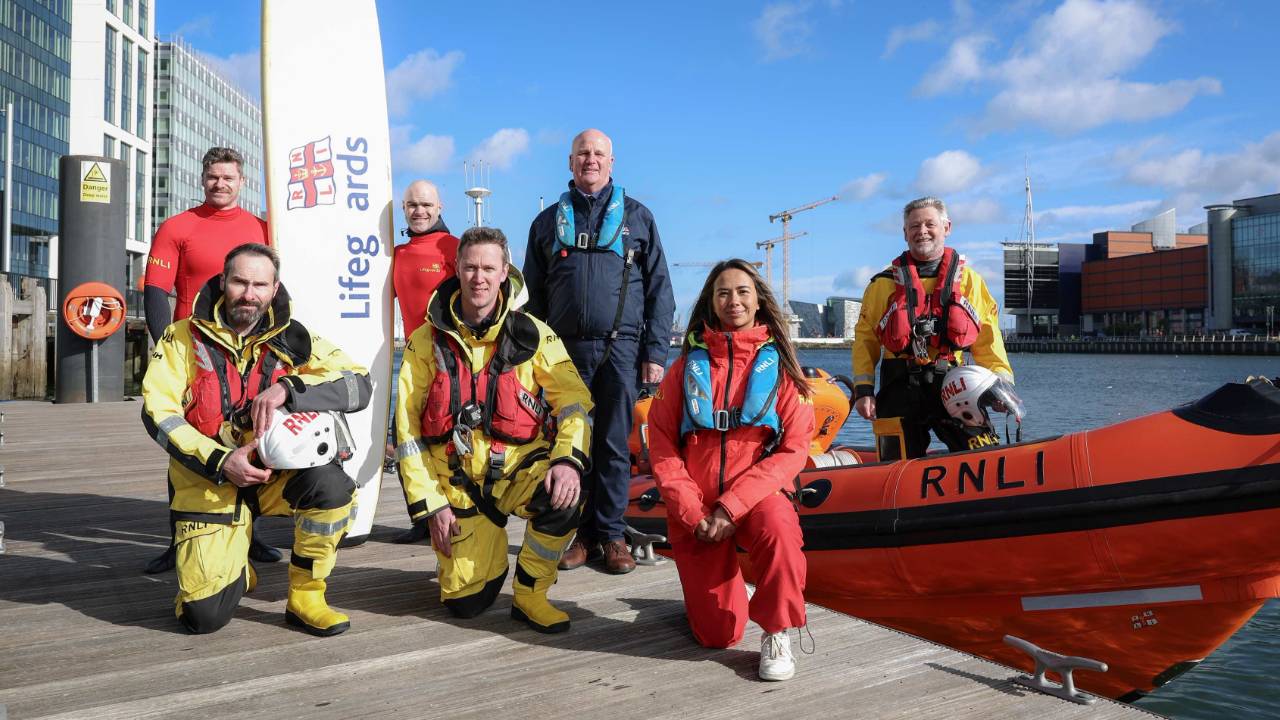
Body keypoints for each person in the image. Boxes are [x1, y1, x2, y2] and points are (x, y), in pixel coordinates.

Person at [140, 243, 371, 635]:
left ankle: (306, 595)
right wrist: (219, 460)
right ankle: (235, 566)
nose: (249, 294)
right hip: (210, 481)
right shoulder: (181, 337)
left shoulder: (296, 338)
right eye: (240, 282)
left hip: (274, 477)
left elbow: (358, 384)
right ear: (223, 281)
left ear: (274, 287)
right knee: (202, 617)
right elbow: (157, 414)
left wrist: (292, 390)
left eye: (260, 285)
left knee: (333, 488)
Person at [395, 227, 593, 632]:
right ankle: (482, 550)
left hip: (519, 470)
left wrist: (568, 460)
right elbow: (407, 431)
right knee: (465, 605)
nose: (478, 277)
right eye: (470, 267)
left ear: (505, 272)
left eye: (488, 267)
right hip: (457, 483)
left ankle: (530, 593)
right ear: (456, 268)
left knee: (565, 498)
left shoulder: (534, 334)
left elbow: (574, 402)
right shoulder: (424, 340)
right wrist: (431, 505)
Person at [647, 259, 814, 681]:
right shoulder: (684, 369)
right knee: (717, 635)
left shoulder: (783, 372)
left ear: (758, 302)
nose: (733, 300)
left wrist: (730, 507)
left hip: (756, 501)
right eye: (723, 292)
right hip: (696, 510)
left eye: (742, 291)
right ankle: (732, 593)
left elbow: (793, 451)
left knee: (779, 526)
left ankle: (777, 631)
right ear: (711, 302)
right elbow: (662, 445)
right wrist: (693, 511)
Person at [522, 128, 675, 574]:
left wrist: (655, 353)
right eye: (582, 153)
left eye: (598, 154)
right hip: (563, 353)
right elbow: (533, 298)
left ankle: (610, 535)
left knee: (611, 446)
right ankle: (580, 535)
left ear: (612, 163)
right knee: (571, 444)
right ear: (570, 163)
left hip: (622, 352)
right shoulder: (547, 223)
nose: (590, 160)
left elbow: (660, 291)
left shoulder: (640, 219)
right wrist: (533, 356)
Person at [142, 146, 279, 573]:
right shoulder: (178, 226)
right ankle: (178, 538)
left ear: (242, 182)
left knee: (248, 437)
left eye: (229, 177)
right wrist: (167, 344)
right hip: (193, 350)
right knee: (183, 443)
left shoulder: (263, 228)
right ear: (203, 179)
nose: (220, 184)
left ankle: (249, 535)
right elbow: (155, 290)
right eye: (213, 177)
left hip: (248, 349)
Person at [852, 196, 1012, 459]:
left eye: (930, 224)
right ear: (905, 233)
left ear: (946, 228)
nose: (922, 232)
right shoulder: (881, 285)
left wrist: (1001, 384)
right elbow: (865, 341)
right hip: (897, 383)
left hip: (953, 381)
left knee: (982, 454)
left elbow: (988, 338)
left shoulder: (971, 282)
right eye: (914, 226)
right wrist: (864, 391)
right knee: (894, 465)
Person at [384, 179, 459, 536]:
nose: (420, 211)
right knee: (407, 438)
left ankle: (458, 509)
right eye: (413, 205)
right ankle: (421, 516)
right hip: (412, 362)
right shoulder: (394, 254)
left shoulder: (454, 248)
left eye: (427, 205)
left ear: (440, 207)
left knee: (447, 438)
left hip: (449, 359)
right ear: (404, 209)